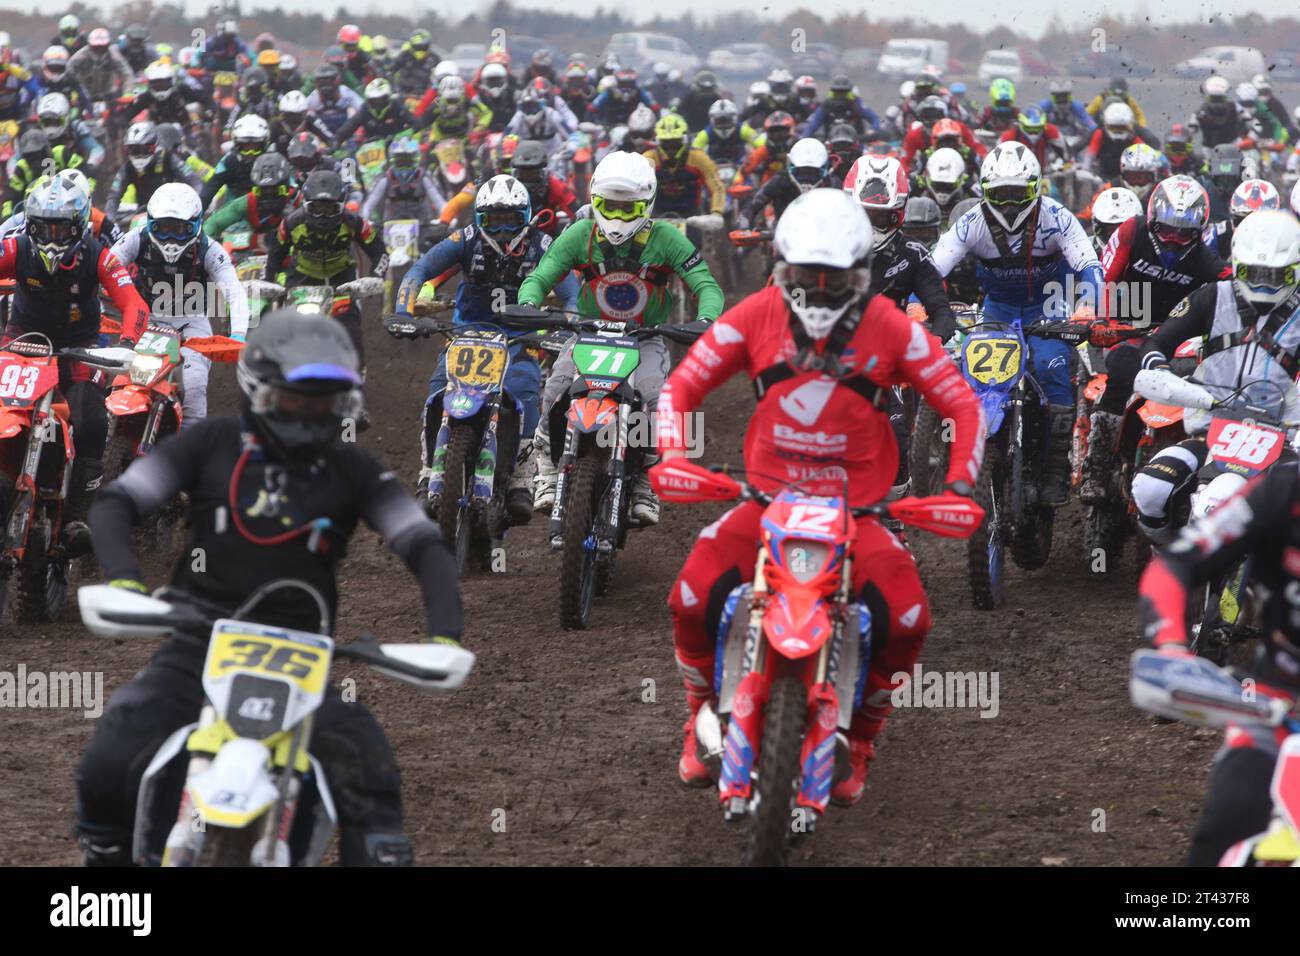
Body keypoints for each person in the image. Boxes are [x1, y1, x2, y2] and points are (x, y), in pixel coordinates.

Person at [76, 311, 465, 867]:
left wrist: (445, 636)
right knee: (112, 755)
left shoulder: (354, 467)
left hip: (299, 660)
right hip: (196, 641)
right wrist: (124, 581)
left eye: (328, 398)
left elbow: (423, 543)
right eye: (301, 397)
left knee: (372, 782)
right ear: (262, 389)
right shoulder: (211, 442)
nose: (315, 411)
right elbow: (118, 501)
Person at [659, 187, 982, 800]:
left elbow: (962, 405)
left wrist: (961, 483)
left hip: (859, 508)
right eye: (807, 273)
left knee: (909, 618)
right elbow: (680, 388)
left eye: (834, 276)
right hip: (765, 500)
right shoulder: (757, 312)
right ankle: (698, 715)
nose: (820, 286)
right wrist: (674, 453)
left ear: (861, 271)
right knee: (691, 597)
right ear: (782, 266)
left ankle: (859, 738)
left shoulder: (892, 327)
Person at [518, 151, 724, 523]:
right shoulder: (580, 233)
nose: (616, 217)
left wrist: (706, 318)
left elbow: (706, 285)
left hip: (644, 338)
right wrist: (529, 302)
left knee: (657, 399)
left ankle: (645, 481)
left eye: (628, 209)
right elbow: (540, 276)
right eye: (608, 206)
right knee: (554, 389)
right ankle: (547, 471)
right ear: (594, 202)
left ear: (646, 205)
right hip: (588, 334)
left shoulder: (666, 239)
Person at [389, 174, 579, 520]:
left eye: (511, 219)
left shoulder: (543, 245)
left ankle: (522, 479)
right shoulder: (466, 239)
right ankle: (428, 473)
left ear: (526, 215)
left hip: (520, 336)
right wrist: (404, 310)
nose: (503, 229)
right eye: (495, 220)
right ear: (480, 218)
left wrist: (570, 326)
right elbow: (420, 268)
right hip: (467, 334)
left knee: (524, 388)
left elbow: (572, 293)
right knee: (437, 390)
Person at [931, 141, 1103, 505]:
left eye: (1017, 194)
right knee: (977, 374)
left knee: (1051, 366)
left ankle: (1057, 468)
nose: (1009, 204)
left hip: (1048, 307)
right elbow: (931, 270)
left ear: (1034, 190)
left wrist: (1088, 306)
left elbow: (1090, 266)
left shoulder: (1057, 217)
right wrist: (920, 306)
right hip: (998, 310)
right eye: (1000, 194)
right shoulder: (971, 222)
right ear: (985, 192)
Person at [1129, 209, 1300, 547]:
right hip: (1211, 432)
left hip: (1282, 438)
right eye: (1254, 273)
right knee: (1150, 489)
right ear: (1237, 266)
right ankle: (1167, 557)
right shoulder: (1212, 295)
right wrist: (1161, 372)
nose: (1264, 283)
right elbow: (1155, 342)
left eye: (1276, 275)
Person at [0, 172, 150, 551]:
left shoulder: (99, 255)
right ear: (29, 226)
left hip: (78, 347)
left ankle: (81, 515)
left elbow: (134, 303)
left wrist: (128, 344)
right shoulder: (16, 249)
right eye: (43, 229)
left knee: (91, 420)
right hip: (23, 342)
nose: (52, 238)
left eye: (61, 229)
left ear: (79, 226)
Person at [1079, 175, 1225, 503]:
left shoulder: (1205, 256)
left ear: (1198, 232)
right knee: (1118, 375)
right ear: (1151, 220)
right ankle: (1097, 467)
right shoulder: (1131, 231)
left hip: (1175, 335)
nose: (1174, 239)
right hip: (1128, 327)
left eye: (1184, 232)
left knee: (1202, 383)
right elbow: (1102, 277)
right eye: (1167, 229)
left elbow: (1232, 288)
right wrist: (1099, 318)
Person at [110, 183, 249, 429]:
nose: (171, 237)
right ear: (151, 224)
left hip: (191, 321)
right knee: (118, 376)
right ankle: (108, 438)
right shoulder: (136, 238)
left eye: (178, 229)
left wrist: (238, 334)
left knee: (195, 383)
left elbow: (235, 293)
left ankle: (190, 446)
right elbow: (107, 267)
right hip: (146, 318)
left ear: (194, 225)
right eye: (162, 228)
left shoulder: (209, 249)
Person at [265, 169, 387, 366]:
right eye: (316, 208)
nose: (323, 214)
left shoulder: (354, 222)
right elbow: (274, 256)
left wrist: (375, 276)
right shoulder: (290, 223)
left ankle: (356, 375)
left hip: (342, 278)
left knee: (352, 326)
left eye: (330, 209)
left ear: (341, 206)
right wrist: (268, 283)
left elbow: (379, 251)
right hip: (302, 276)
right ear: (306, 205)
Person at [103, 121, 203, 220]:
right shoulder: (127, 167)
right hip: (142, 216)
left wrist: (192, 205)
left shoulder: (167, 158)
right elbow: (113, 196)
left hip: (173, 213)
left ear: (154, 147)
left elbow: (194, 180)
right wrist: (110, 221)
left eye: (144, 149)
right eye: (134, 150)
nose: (139, 155)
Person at [203, 151, 299, 246]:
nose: (269, 196)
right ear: (254, 189)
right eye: (262, 191)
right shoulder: (248, 202)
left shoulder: (297, 200)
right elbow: (214, 223)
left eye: (276, 190)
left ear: (286, 187)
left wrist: (294, 219)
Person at [643, 113, 725, 218]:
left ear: (685, 140)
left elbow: (717, 186)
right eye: (666, 143)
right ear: (658, 142)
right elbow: (634, 187)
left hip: (692, 216)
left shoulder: (699, 158)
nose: (670, 149)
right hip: (655, 215)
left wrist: (717, 213)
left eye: (675, 142)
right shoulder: (648, 159)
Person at [737, 137, 828, 229]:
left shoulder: (831, 184)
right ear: (790, 166)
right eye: (801, 172)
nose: (807, 178)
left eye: (812, 173)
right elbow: (755, 202)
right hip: (782, 231)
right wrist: (745, 220)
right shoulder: (781, 180)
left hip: (822, 232)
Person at [200, 113, 270, 211]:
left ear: (264, 146)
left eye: (255, 147)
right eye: (246, 147)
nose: (250, 153)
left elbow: (291, 188)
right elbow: (210, 188)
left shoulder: (274, 160)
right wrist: (196, 215)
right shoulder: (229, 161)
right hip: (233, 213)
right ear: (237, 146)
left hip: (267, 211)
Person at [68, 27, 132, 104]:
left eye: (102, 47)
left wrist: (128, 91)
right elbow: (69, 71)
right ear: (90, 45)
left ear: (107, 45)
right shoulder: (81, 56)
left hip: (109, 94)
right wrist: (73, 90)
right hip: (85, 94)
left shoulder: (113, 55)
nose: (99, 50)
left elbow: (126, 73)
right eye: (96, 47)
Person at [804, 74, 879, 139]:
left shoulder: (856, 103)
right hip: (831, 144)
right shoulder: (826, 105)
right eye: (837, 92)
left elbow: (874, 118)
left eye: (843, 93)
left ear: (849, 92)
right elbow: (813, 125)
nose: (840, 96)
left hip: (856, 143)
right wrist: (803, 139)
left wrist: (873, 130)